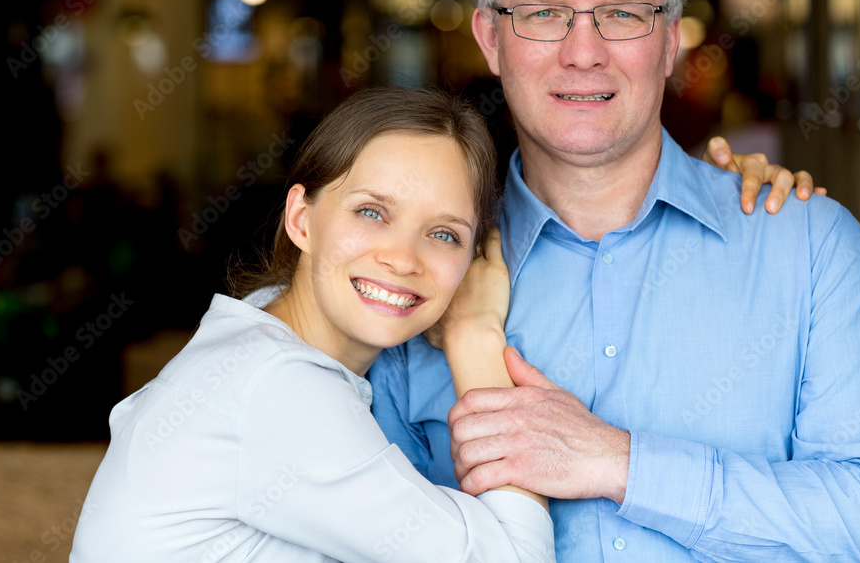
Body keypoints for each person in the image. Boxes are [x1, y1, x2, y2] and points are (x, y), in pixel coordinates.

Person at [368, 0, 860, 561]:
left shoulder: (811, 248)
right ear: (491, 37)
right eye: (544, 13)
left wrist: (621, 463)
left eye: (623, 14)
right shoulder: (413, 276)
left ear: (670, 38)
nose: (584, 52)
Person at [70, 86, 557, 562]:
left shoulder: (261, 329)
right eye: (372, 212)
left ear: (470, 263)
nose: (404, 259)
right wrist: (474, 336)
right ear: (301, 219)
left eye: (444, 234)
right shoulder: (277, 385)